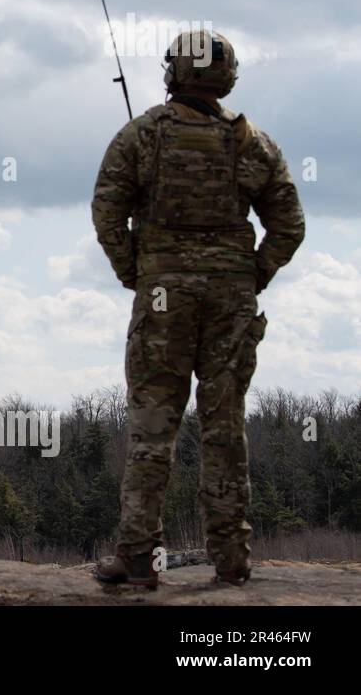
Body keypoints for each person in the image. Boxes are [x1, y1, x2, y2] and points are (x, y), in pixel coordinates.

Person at [90, 30, 305, 587]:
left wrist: (134, 272)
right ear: (226, 77)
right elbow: (289, 223)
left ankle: (137, 557)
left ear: (174, 74)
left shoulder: (141, 136)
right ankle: (232, 559)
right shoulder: (251, 142)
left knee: (152, 424)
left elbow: (107, 211)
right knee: (224, 425)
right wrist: (252, 272)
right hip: (231, 296)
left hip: (163, 295)